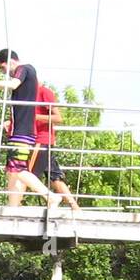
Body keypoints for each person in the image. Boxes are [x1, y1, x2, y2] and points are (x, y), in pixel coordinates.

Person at [0, 49, 61, 209]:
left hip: (23, 131)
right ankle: (12, 208)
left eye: (3, 68)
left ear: (10, 61)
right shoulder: (27, 74)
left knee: (18, 170)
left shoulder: (24, 69)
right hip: (20, 130)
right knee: (13, 170)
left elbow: (13, 84)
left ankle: (51, 197)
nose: (5, 73)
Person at [32, 81, 80, 211]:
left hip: (41, 140)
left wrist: (35, 117)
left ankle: (16, 204)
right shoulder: (27, 94)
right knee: (54, 176)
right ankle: (75, 208)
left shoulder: (43, 92)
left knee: (26, 174)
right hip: (39, 140)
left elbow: (58, 117)